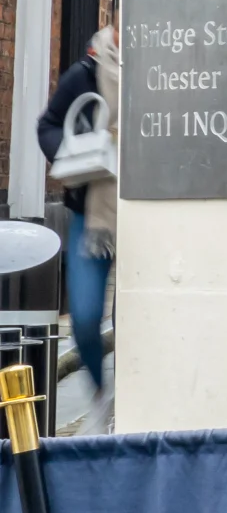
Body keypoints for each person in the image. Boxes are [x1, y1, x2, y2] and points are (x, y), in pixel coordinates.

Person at [37, 25, 115, 431]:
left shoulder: (163, 76)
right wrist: (76, 152)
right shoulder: (84, 75)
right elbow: (47, 125)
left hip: (146, 213)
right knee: (84, 317)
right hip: (92, 214)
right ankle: (102, 396)